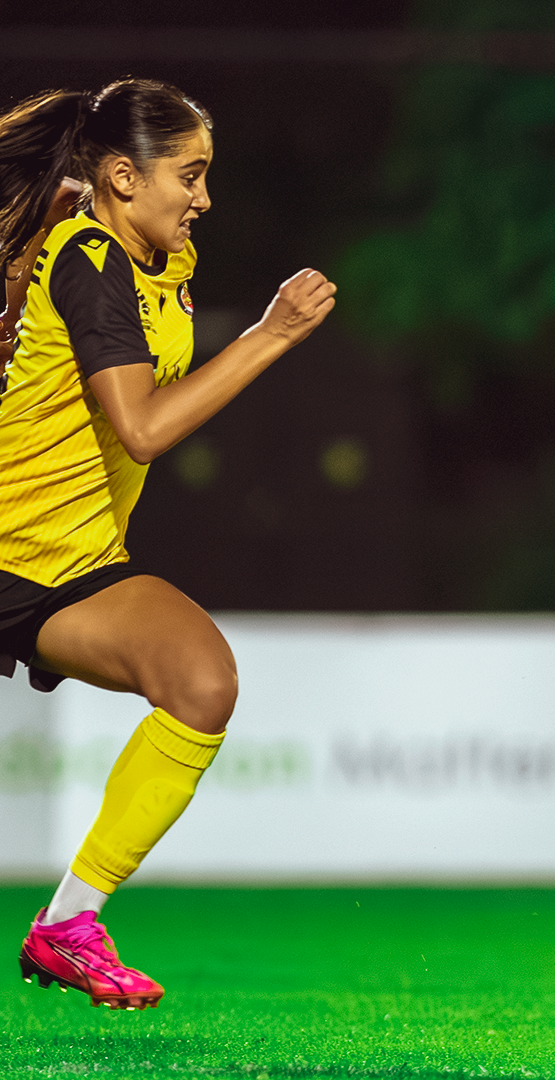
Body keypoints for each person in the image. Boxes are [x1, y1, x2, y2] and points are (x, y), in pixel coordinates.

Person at [0, 80, 335, 1009]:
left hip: (67, 559)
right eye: (189, 175)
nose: (204, 196)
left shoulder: (144, 250)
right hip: (10, 544)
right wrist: (269, 336)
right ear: (122, 176)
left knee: (200, 683)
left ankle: (68, 923)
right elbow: (142, 430)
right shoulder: (96, 256)